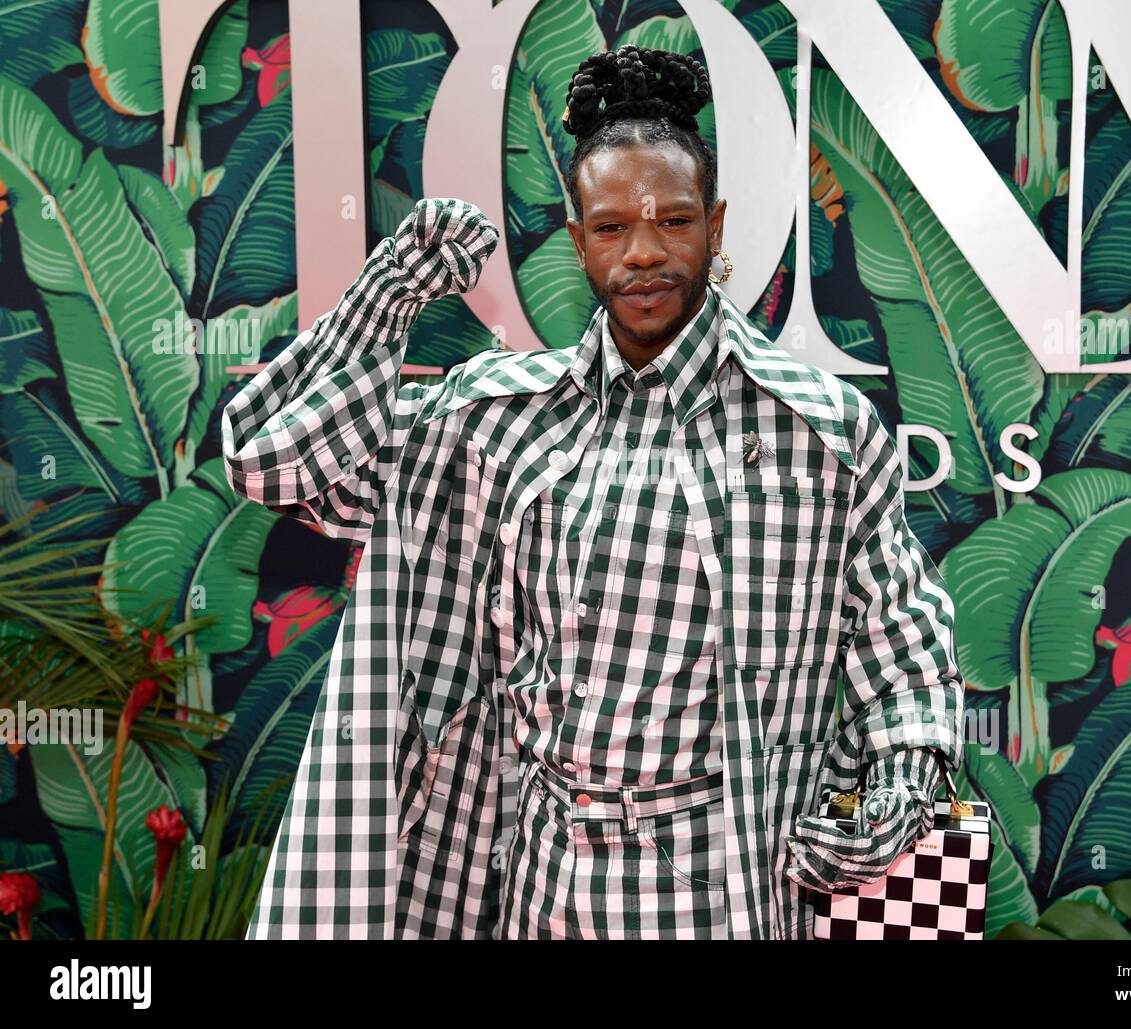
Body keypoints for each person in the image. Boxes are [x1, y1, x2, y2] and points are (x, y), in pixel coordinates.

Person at [223, 44, 964, 940]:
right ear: (577, 242)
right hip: (539, 881)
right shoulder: (492, 421)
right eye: (611, 228)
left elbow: (904, 639)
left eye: (674, 221)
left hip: (732, 887)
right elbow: (273, 462)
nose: (643, 253)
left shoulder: (822, 430)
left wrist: (899, 782)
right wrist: (390, 294)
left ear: (716, 226)